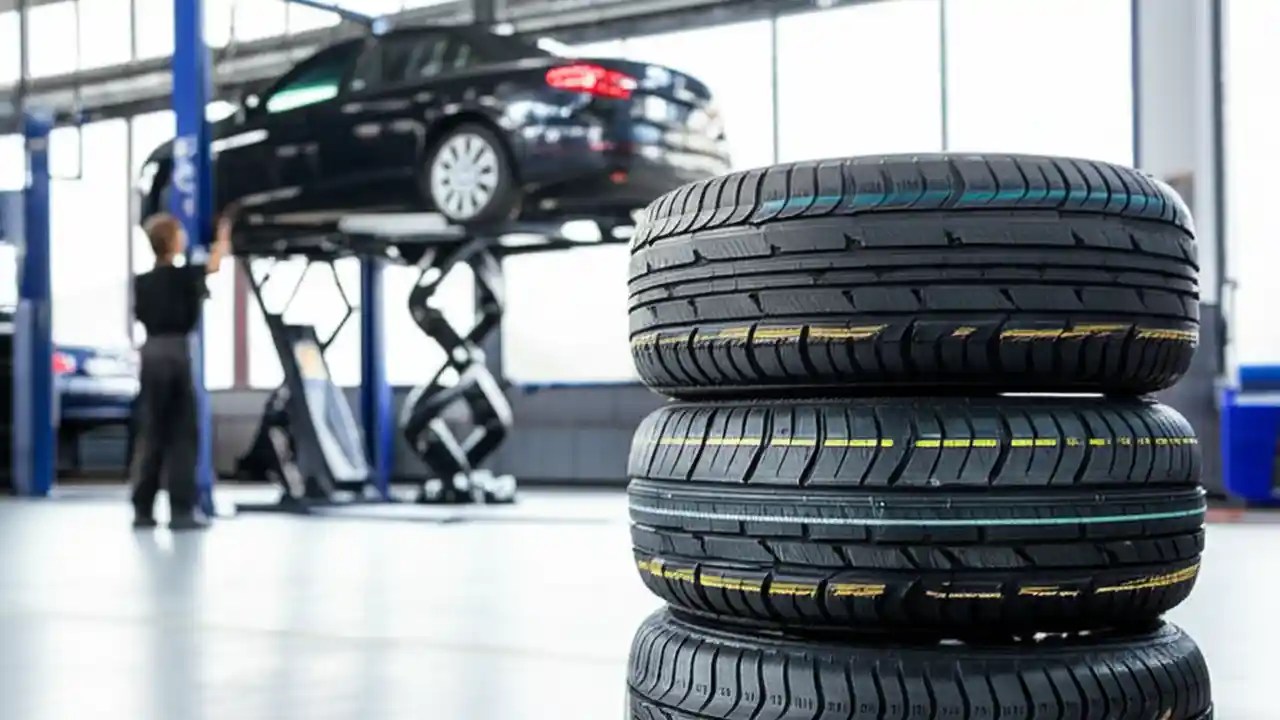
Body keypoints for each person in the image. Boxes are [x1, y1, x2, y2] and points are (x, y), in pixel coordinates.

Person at [130, 209, 233, 530]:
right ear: (174, 241)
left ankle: (143, 510)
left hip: (150, 354)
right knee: (182, 432)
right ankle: (181, 511)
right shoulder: (185, 276)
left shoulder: (142, 282)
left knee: (151, 431)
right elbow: (215, 264)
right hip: (177, 353)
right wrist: (224, 236)